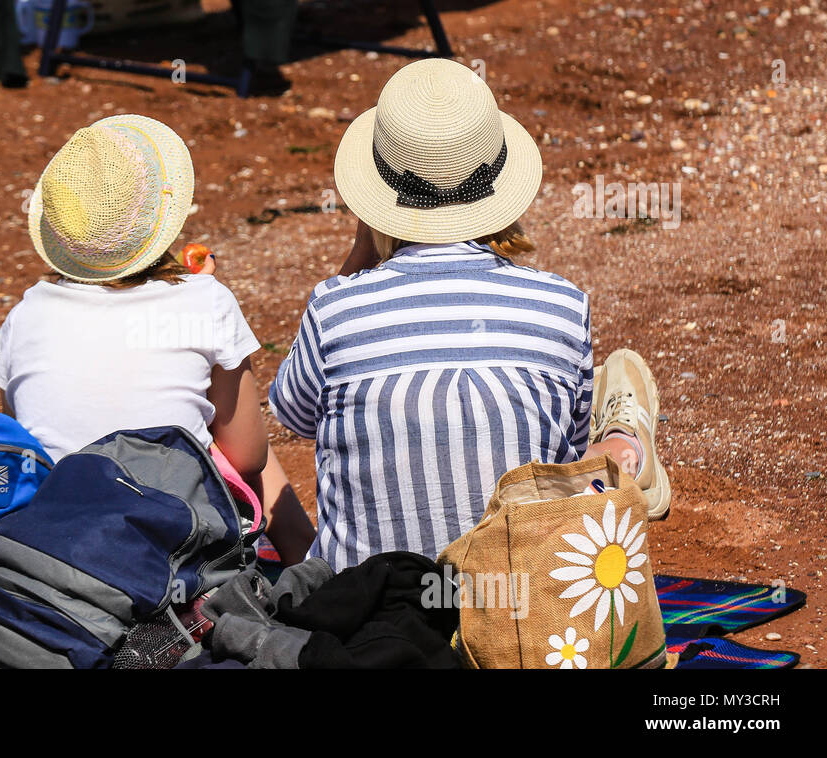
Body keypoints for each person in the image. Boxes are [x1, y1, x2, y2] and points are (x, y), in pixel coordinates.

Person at [269, 59, 670, 571]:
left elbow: (295, 414)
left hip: (364, 623)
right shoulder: (560, 304)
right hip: (523, 617)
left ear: (376, 202)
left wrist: (357, 261)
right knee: (573, 448)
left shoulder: (334, 307)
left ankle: (618, 444)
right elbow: (558, 460)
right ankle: (623, 446)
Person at [0, 114, 316, 564]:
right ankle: (308, 559)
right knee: (226, 436)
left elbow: (28, 436)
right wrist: (208, 309)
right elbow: (247, 460)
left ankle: (307, 556)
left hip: (61, 551)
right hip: (177, 552)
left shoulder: (26, 314)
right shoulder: (205, 299)